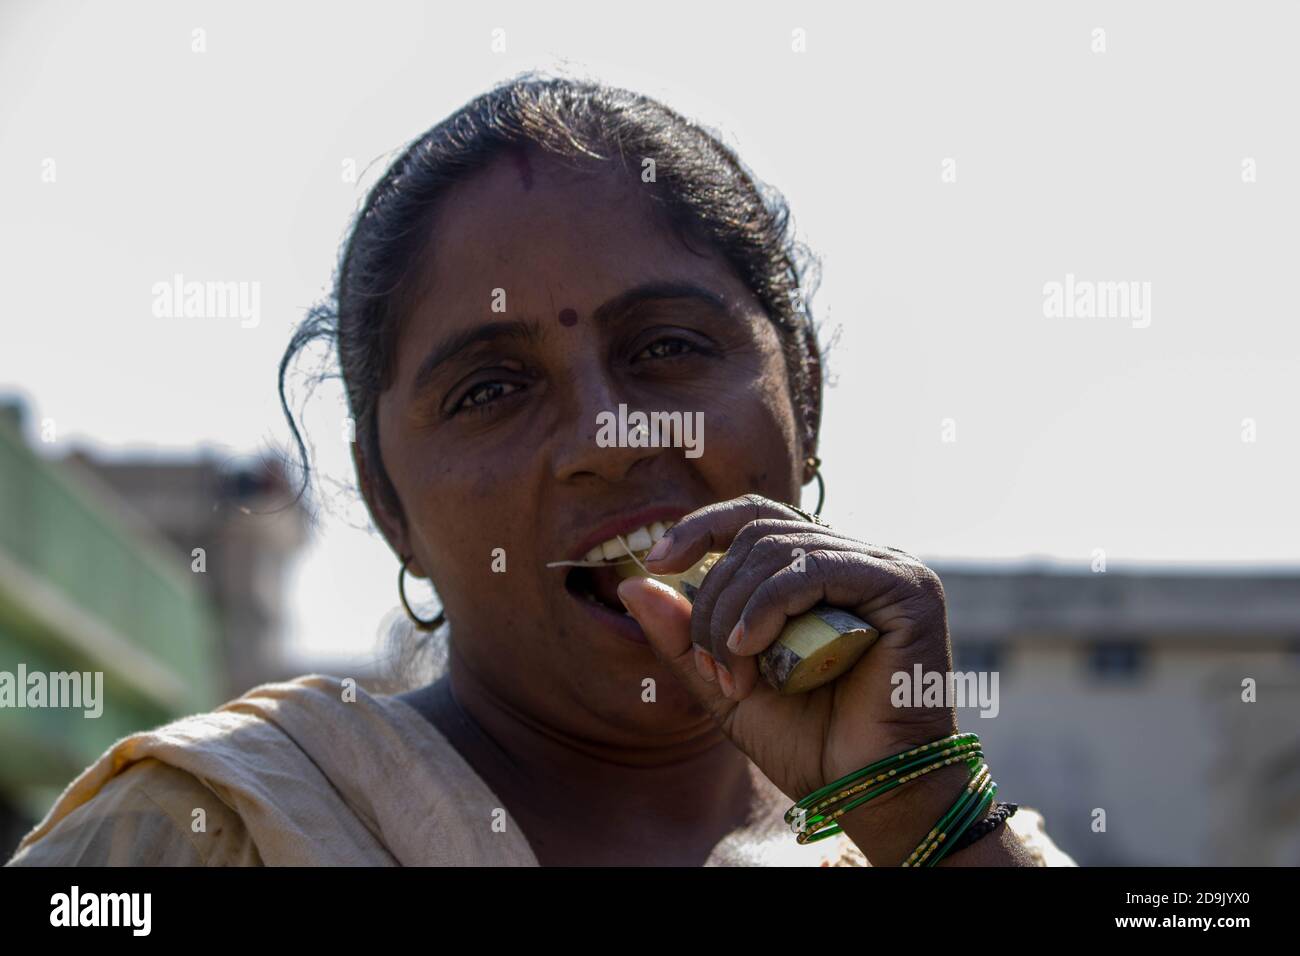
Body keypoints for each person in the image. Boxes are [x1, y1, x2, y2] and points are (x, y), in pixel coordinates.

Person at [7, 73, 1075, 867]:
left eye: (665, 346)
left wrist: (922, 812)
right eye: (490, 389)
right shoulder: (205, 831)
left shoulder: (931, 835)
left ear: (803, 400)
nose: (609, 436)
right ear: (390, 509)